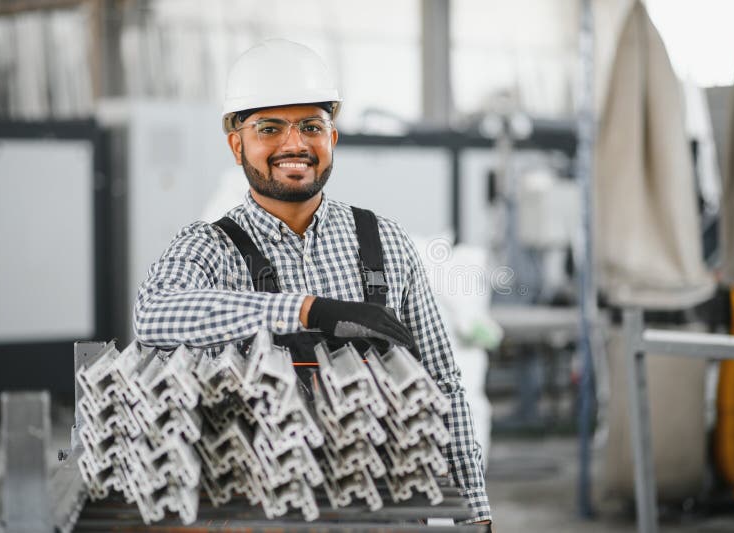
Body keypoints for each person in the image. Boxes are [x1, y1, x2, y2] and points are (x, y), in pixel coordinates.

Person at [134, 38, 491, 526]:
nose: (294, 145)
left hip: (383, 511)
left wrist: (474, 513)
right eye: (269, 128)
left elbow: (445, 384)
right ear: (237, 143)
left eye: (310, 126)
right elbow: (155, 313)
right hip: (261, 515)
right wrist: (305, 310)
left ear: (332, 139)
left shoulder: (384, 242)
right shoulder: (209, 247)